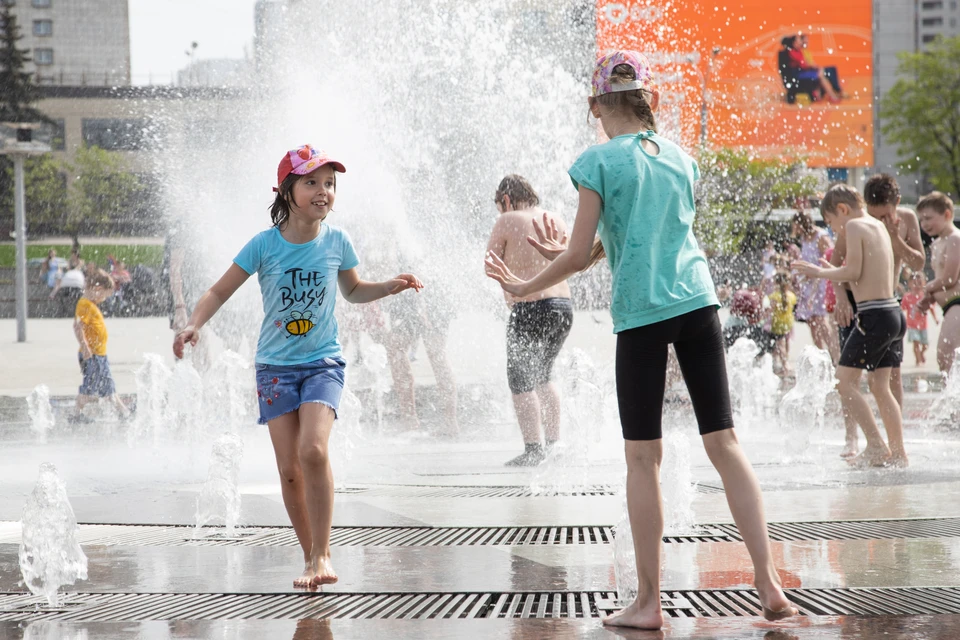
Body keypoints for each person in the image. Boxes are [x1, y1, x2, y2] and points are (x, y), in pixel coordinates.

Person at [485, 51, 796, 629]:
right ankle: (770, 582)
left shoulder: (597, 161)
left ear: (596, 105)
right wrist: (590, 250)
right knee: (725, 444)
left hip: (644, 314)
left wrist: (526, 280)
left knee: (642, 455)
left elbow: (578, 255)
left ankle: (649, 601)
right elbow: (653, 231)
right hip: (698, 303)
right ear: (642, 98)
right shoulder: (679, 156)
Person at [172, 145, 423, 588]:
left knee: (313, 450)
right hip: (274, 368)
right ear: (287, 190)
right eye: (312, 182)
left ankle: (324, 551)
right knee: (288, 469)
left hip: (323, 362)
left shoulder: (338, 242)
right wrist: (194, 324)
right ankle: (310, 557)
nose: (323, 191)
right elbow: (217, 292)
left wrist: (388, 287)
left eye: (329, 183)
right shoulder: (264, 245)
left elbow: (353, 291)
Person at [793, 184, 907, 468]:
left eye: (832, 223)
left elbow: (853, 271)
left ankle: (877, 447)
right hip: (893, 312)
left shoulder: (854, 226)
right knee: (880, 386)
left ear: (842, 210)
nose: (834, 231)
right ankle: (898, 453)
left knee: (843, 382)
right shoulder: (877, 225)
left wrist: (819, 272)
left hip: (875, 316)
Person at [831, 174, 926, 457]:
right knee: (851, 377)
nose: (879, 219)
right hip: (857, 304)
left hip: (886, 304)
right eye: (874, 214)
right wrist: (839, 299)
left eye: (884, 214)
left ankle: (894, 445)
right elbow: (837, 265)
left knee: (887, 379)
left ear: (897, 203)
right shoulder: (857, 224)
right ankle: (854, 438)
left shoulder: (906, 220)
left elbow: (919, 262)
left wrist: (895, 237)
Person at [485, 175, 574, 466]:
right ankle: (555, 446)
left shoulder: (508, 219)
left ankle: (534, 450)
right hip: (562, 307)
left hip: (531, 308)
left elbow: (491, 263)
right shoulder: (555, 217)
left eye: (500, 205)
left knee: (520, 379)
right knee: (544, 375)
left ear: (506, 199)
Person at [70, 269, 131, 423]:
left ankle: (124, 412)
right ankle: (76, 414)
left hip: (99, 355)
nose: (104, 299)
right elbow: (78, 327)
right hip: (92, 355)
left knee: (108, 386)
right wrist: (85, 348)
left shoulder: (90, 304)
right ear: (97, 289)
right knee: (90, 388)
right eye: (104, 295)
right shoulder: (84, 304)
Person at [916, 191, 960, 373]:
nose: (924, 224)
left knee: (946, 353)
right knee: (946, 359)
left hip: (958, 303)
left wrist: (926, 289)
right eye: (921, 220)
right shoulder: (936, 244)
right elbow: (940, 280)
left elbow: (950, 278)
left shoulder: (955, 239)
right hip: (949, 306)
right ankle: (952, 398)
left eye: (928, 218)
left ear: (947, 214)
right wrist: (930, 298)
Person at [791, 211, 840, 363]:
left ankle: (834, 356)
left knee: (821, 320)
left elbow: (831, 259)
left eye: (795, 225)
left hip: (820, 284)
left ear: (801, 224)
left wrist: (814, 273)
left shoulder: (821, 237)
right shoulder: (804, 238)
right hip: (807, 285)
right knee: (812, 322)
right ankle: (820, 357)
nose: (794, 229)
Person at [785, 35, 840, 102]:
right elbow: (803, 64)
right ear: (794, 43)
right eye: (799, 40)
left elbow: (806, 63)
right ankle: (832, 95)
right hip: (798, 74)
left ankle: (828, 94)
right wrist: (814, 67)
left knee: (824, 73)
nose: (801, 42)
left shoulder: (799, 51)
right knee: (820, 75)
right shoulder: (792, 52)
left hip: (804, 71)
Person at [901, 271, 938, 367]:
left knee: (925, 344)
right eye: (914, 283)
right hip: (912, 325)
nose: (917, 286)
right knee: (916, 343)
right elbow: (901, 309)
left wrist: (936, 319)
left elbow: (931, 308)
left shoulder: (925, 297)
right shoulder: (907, 297)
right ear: (909, 284)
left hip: (923, 325)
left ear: (924, 283)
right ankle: (918, 362)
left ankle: (921, 354)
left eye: (919, 283)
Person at [767, 273, 797, 377]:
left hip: (777, 324)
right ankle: (783, 362)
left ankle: (784, 365)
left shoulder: (774, 296)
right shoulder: (791, 296)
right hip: (788, 323)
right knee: (785, 342)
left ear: (775, 283)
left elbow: (770, 310)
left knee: (779, 345)